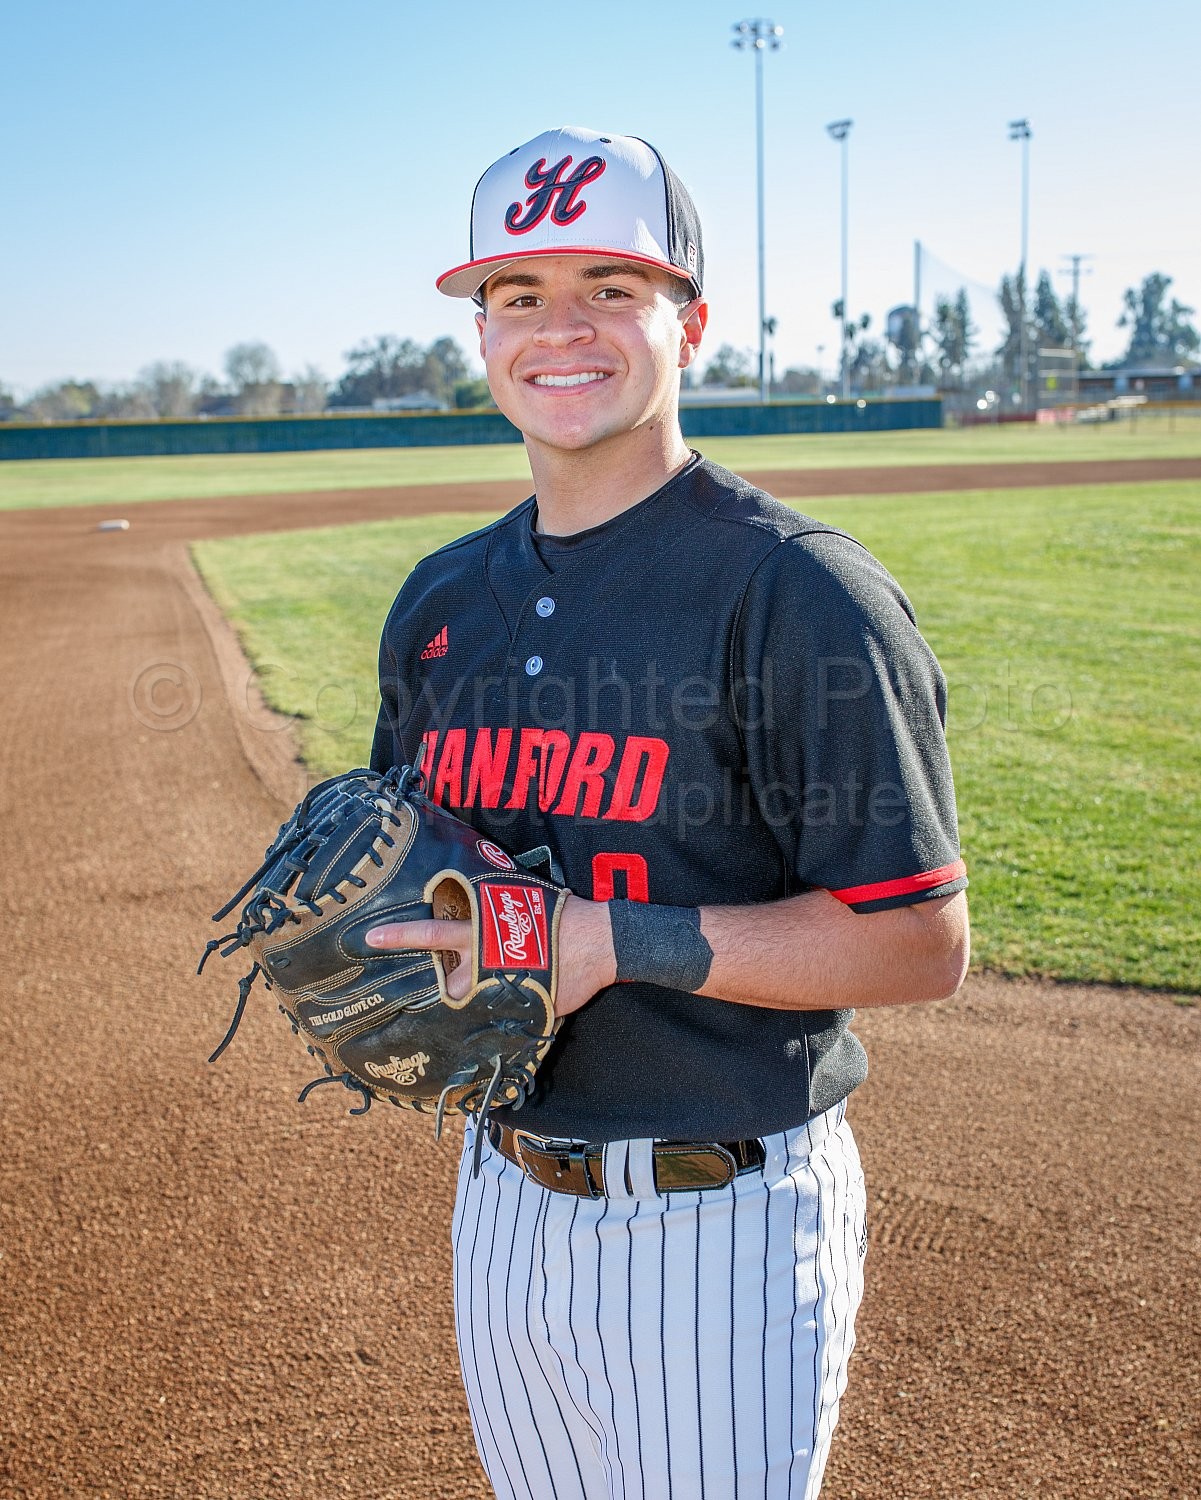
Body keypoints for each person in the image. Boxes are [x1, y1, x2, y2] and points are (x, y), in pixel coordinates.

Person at [365, 125, 969, 1500]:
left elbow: (917, 944)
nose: (560, 329)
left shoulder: (798, 592)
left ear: (687, 324)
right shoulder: (440, 601)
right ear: (481, 334)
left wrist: (605, 940)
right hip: (501, 1197)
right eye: (519, 294)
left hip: (720, 1221)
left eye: (610, 288)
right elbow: (423, 872)